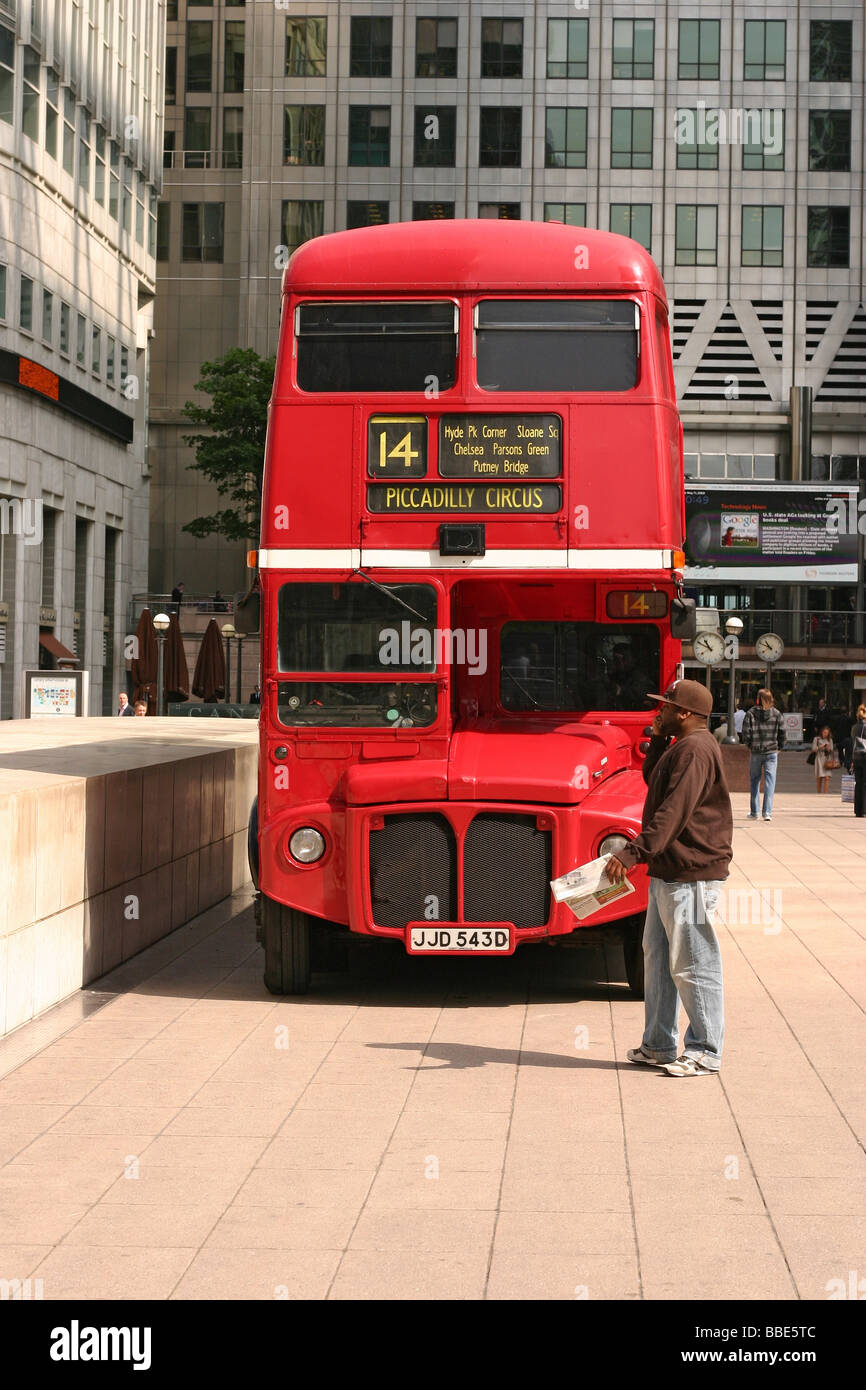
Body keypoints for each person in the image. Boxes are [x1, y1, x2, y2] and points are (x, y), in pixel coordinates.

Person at [605, 679, 733, 1077]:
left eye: (664, 707)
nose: (657, 712)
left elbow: (672, 811)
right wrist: (658, 741)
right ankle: (659, 1044)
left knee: (694, 962)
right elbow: (653, 784)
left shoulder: (696, 750)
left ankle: (705, 1050)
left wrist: (632, 853)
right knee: (659, 960)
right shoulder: (681, 746)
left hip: (692, 872)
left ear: (684, 713)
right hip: (671, 871)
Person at [741, 688, 785, 821]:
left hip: (756, 751)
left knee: (754, 781)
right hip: (771, 751)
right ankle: (767, 812)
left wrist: (750, 745)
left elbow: (746, 733)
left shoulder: (750, 713)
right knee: (770, 782)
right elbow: (783, 732)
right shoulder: (777, 714)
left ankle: (755, 812)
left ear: (758, 699)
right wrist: (780, 747)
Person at [850, 703, 866, 818]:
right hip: (865, 756)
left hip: (856, 757)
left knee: (858, 783)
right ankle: (864, 809)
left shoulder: (854, 727)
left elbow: (853, 742)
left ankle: (858, 810)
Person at [811, 724, 836, 794]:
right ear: (821, 732)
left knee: (827, 777)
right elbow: (813, 749)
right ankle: (819, 793)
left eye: (827, 733)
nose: (825, 734)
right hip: (819, 759)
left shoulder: (830, 740)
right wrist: (820, 747)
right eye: (824, 732)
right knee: (819, 777)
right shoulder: (817, 739)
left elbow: (832, 749)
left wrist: (828, 749)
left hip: (827, 759)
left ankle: (825, 793)